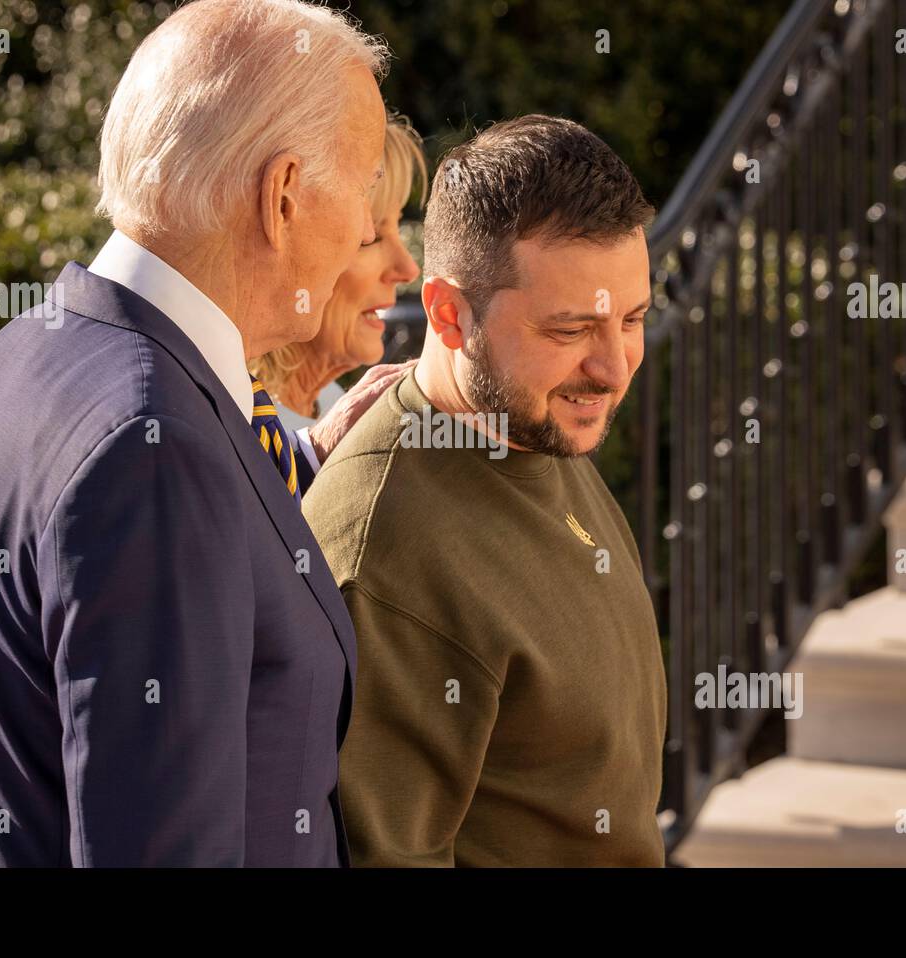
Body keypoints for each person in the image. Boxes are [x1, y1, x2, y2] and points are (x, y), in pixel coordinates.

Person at [0, 0, 406, 867]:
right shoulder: (157, 450)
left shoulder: (27, 351)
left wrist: (294, 465)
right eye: (366, 192)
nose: (377, 243)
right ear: (283, 196)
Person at [303, 115, 669, 867]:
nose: (614, 366)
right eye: (570, 331)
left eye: (632, 319)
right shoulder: (384, 549)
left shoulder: (535, 428)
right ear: (447, 312)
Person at [250, 116, 425, 434]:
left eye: (396, 228)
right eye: (369, 238)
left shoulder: (336, 409)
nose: (408, 269)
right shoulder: (234, 429)